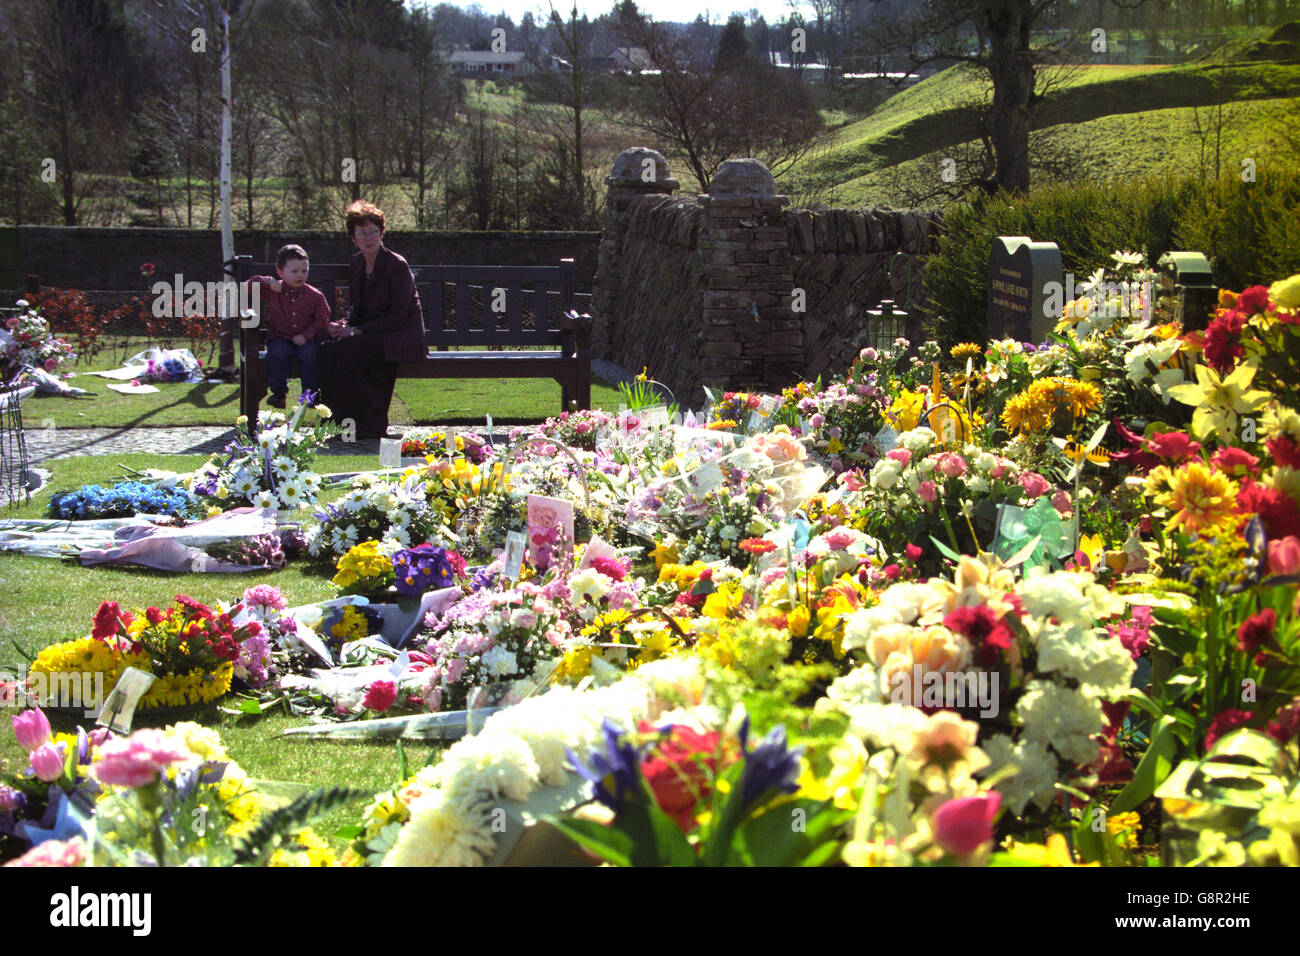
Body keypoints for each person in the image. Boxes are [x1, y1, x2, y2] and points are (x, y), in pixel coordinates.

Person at [319, 201, 426, 440]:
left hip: (399, 337)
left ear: (381, 232)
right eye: (361, 233)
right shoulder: (357, 263)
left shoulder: (396, 265)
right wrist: (345, 325)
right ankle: (339, 423)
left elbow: (398, 316)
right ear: (353, 237)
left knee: (349, 349)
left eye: (373, 232)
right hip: (371, 334)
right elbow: (359, 307)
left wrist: (356, 331)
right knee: (328, 350)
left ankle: (368, 426)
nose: (368, 238)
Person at [246, 244, 330, 408]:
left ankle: (310, 396)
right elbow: (248, 286)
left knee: (310, 356)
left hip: (305, 339)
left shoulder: (314, 296)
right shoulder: (274, 290)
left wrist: (306, 335)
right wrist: (268, 281)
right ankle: (278, 394)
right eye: (294, 272)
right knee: (277, 354)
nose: (300, 275)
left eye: (304, 271)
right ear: (280, 272)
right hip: (279, 337)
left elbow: (322, 318)